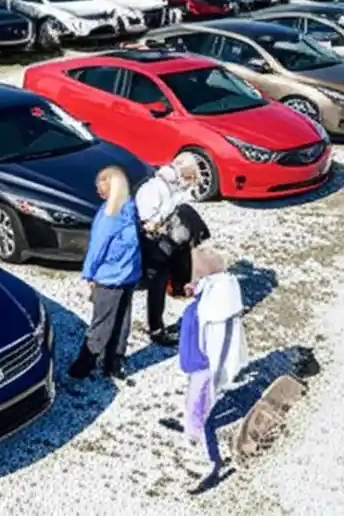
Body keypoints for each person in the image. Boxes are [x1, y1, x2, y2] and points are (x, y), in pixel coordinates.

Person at [173, 246, 247, 494]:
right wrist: (196, 289)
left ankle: (208, 460)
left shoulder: (221, 301)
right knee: (194, 400)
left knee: (199, 404)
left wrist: (213, 367)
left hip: (205, 364)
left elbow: (219, 340)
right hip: (198, 360)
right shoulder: (216, 287)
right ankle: (192, 430)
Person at [69, 166, 142, 381]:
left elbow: (101, 248)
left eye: (100, 185)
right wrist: (89, 275)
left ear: (111, 184)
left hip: (126, 277)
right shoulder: (111, 214)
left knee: (122, 323)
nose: (97, 190)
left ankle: (113, 362)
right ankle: (83, 366)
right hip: (110, 279)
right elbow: (97, 248)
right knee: (102, 324)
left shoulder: (126, 210)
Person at [135, 154, 201, 347]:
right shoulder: (153, 189)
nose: (187, 182)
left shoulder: (167, 184)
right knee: (156, 285)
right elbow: (149, 221)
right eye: (188, 176)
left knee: (159, 284)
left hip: (164, 241)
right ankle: (155, 329)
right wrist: (176, 203)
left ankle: (157, 323)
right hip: (154, 244)